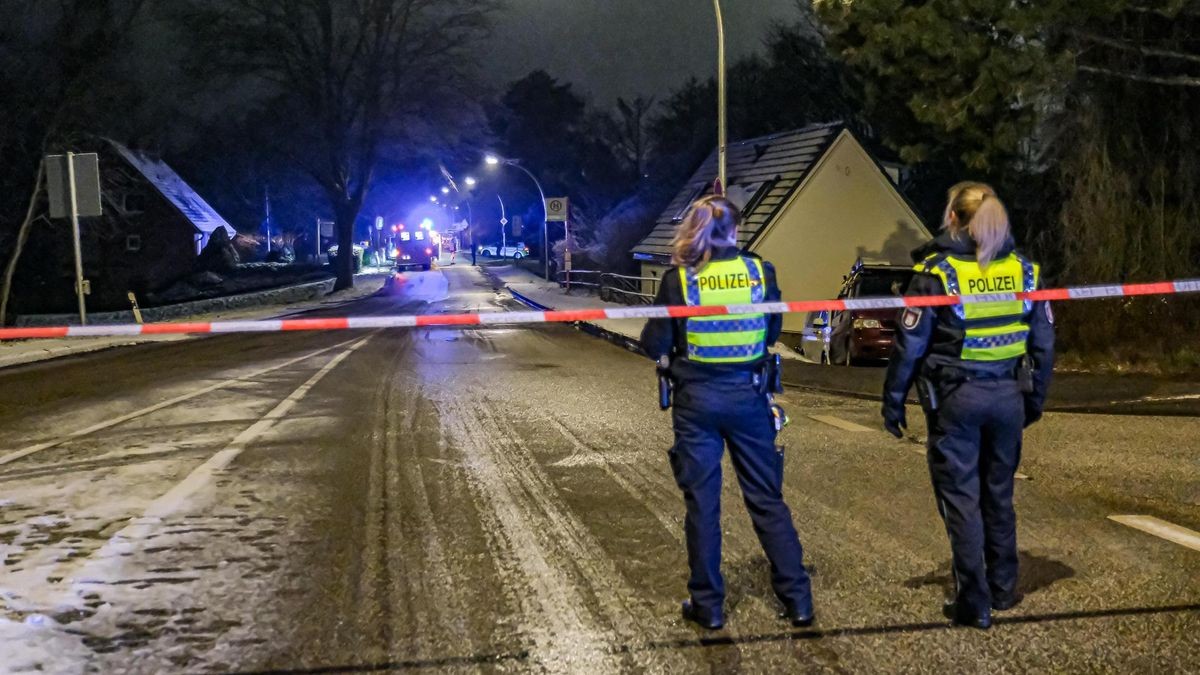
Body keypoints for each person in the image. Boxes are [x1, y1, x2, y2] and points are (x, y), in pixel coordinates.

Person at [881, 182, 1055, 630]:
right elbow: (1044, 345)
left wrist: (894, 400)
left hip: (957, 399)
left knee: (961, 500)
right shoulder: (1025, 272)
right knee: (999, 495)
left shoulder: (936, 273)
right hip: (1008, 398)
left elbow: (909, 345)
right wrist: (1033, 399)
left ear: (954, 218)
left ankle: (973, 601)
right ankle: (1004, 589)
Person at [641, 195, 814, 631]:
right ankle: (798, 601)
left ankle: (709, 606)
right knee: (767, 499)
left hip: (696, 401)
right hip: (749, 397)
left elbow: (654, 343)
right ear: (736, 230)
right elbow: (773, 330)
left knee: (703, 505)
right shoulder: (760, 271)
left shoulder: (681, 279)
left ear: (694, 230)